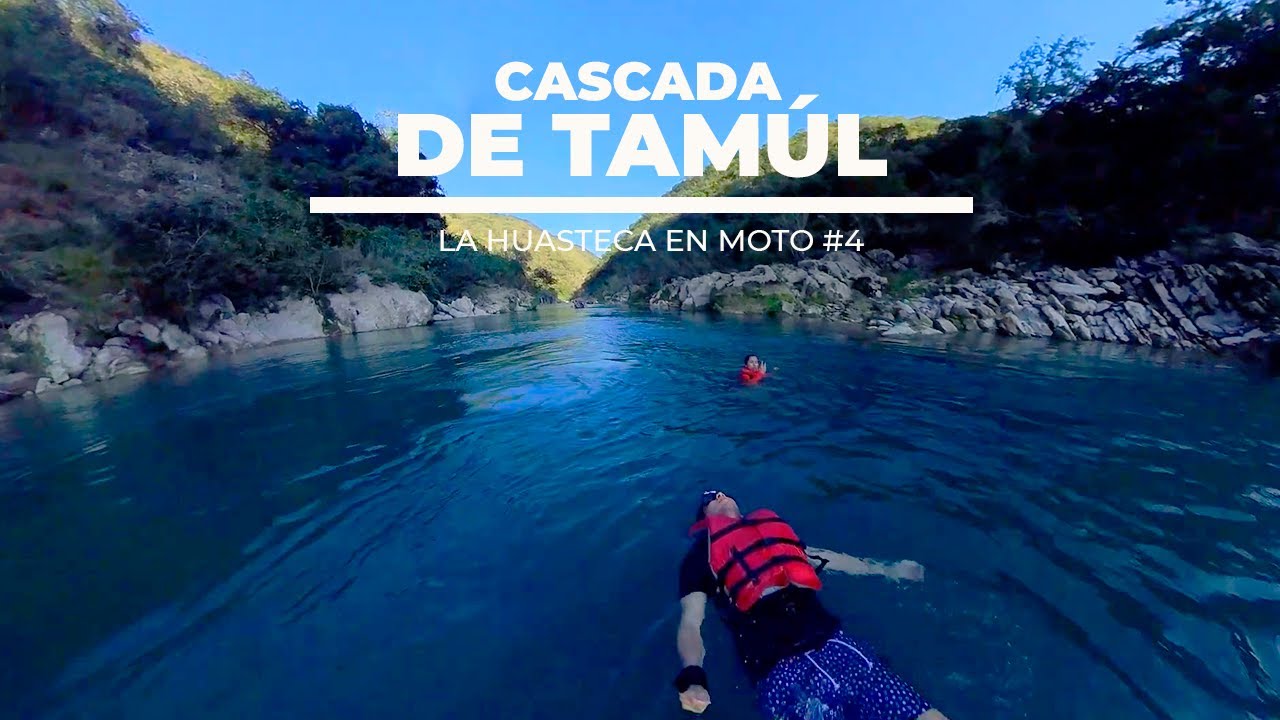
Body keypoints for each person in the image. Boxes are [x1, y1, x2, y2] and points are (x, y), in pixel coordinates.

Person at [674, 490, 948, 720]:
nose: (719, 495)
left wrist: (888, 570)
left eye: (722, 492)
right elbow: (690, 622)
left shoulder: (771, 534)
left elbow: (826, 559)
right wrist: (693, 675)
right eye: (710, 498)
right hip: (779, 671)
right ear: (704, 520)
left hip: (836, 645)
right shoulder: (700, 558)